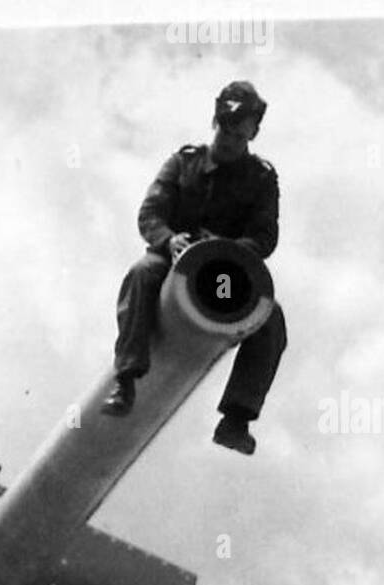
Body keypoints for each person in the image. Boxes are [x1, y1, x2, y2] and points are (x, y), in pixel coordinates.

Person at [104, 80, 287, 455]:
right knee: (141, 273)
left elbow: (265, 236)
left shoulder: (261, 179)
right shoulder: (183, 162)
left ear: (253, 133)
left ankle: (236, 419)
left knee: (270, 320)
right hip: (174, 263)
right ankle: (125, 379)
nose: (229, 140)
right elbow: (150, 213)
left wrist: (222, 249)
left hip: (224, 275)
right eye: (224, 130)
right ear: (214, 122)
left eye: (239, 134)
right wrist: (170, 239)